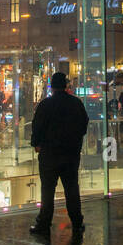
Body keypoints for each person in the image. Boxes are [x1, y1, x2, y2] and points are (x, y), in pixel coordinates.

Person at [29, 72, 89, 236]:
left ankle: (44, 223)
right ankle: (77, 222)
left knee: (47, 190)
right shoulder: (76, 103)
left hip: (49, 154)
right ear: (66, 85)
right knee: (71, 189)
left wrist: (37, 144)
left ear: (52, 87)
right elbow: (83, 125)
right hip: (70, 154)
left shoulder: (45, 105)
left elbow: (37, 127)